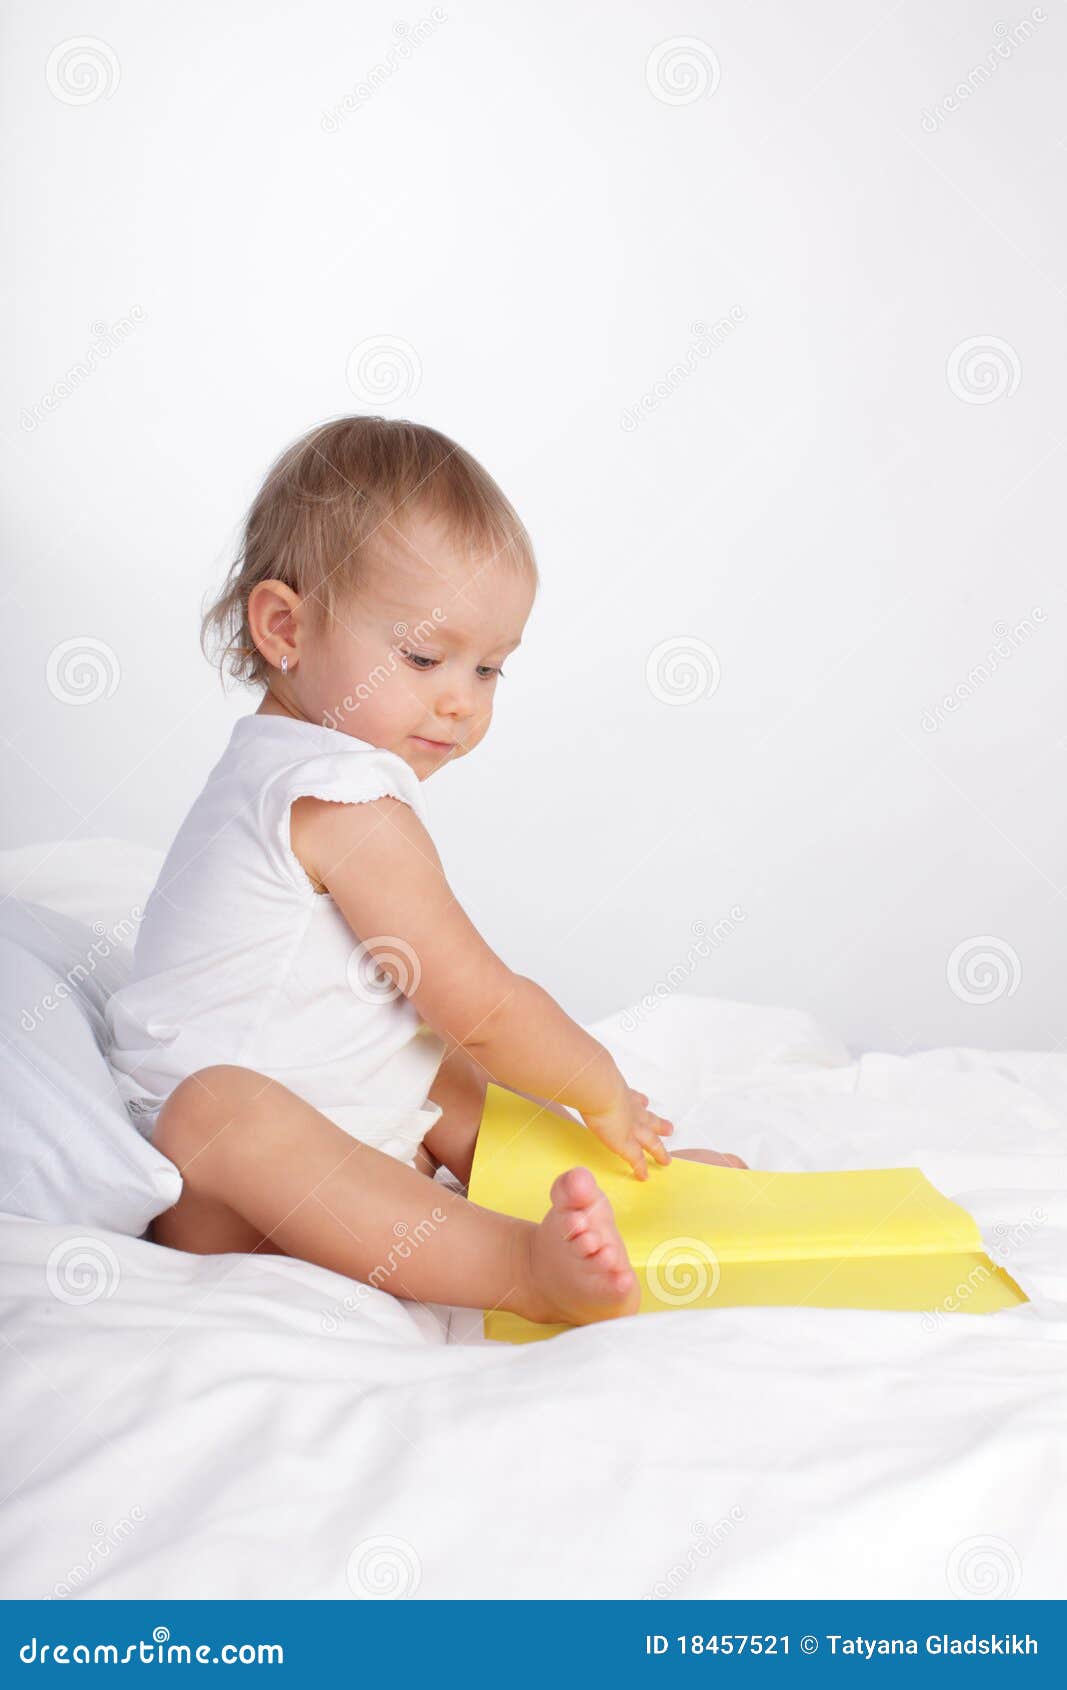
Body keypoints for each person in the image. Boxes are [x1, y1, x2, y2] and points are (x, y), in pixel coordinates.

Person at [106, 416, 746, 1331]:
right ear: (286, 627)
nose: (461, 700)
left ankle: (618, 1192)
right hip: (214, 1197)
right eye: (422, 657)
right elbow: (478, 1002)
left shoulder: (286, 760)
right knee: (222, 1106)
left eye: (490, 668)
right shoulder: (333, 794)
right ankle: (516, 1266)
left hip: (332, 1141)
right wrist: (594, 1080)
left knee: (423, 1059)